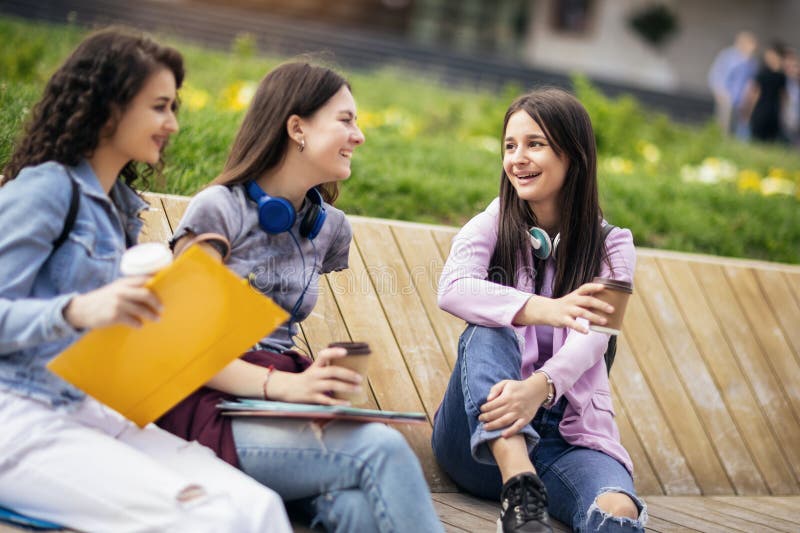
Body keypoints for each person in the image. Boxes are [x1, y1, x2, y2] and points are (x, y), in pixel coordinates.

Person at [0, 28, 290, 533]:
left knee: (259, 509)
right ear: (109, 107)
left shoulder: (119, 212)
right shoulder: (44, 191)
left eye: (173, 107)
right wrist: (75, 310)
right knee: (208, 519)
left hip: (92, 409)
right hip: (22, 415)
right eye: (159, 107)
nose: (172, 124)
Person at [157, 61, 443, 533]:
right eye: (346, 120)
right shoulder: (219, 209)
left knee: (355, 510)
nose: (360, 135)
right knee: (382, 448)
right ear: (297, 128)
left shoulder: (329, 226)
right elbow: (184, 347)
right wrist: (286, 388)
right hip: (211, 403)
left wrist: (317, 380)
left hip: (282, 400)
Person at [431, 88, 648, 533]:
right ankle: (519, 487)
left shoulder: (613, 245)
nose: (518, 158)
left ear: (574, 155)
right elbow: (452, 287)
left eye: (535, 144)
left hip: (564, 440)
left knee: (618, 512)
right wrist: (543, 309)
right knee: (488, 329)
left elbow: (595, 337)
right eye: (510, 146)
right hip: (480, 442)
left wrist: (541, 388)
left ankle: (531, 487)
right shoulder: (495, 219)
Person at [707, 31, 759, 138]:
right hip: (726, 96)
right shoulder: (728, 56)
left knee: (738, 128)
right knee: (723, 126)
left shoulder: (752, 62)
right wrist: (719, 92)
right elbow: (716, 74)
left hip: (742, 100)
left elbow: (751, 82)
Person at [742, 41, 788, 143]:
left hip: (762, 112)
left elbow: (754, 94)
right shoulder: (781, 76)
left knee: (757, 141)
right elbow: (783, 98)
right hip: (772, 113)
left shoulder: (763, 73)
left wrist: (748, 112)